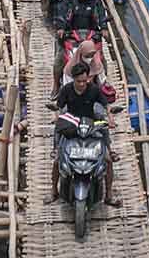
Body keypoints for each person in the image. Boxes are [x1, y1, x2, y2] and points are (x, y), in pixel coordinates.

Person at [44, 63, 120, 207]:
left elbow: (106, 105)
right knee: (57, 159)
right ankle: (53, 191)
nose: (82, 84)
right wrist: (57, 116)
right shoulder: (66, 90)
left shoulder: (94, 90)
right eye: (79, 81)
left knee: (108, 160)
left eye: (84, 81)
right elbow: (59, 107)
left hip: (91, 123)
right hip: (72, 123)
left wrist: (110, 118)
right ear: (73, 79)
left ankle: (109, 195)